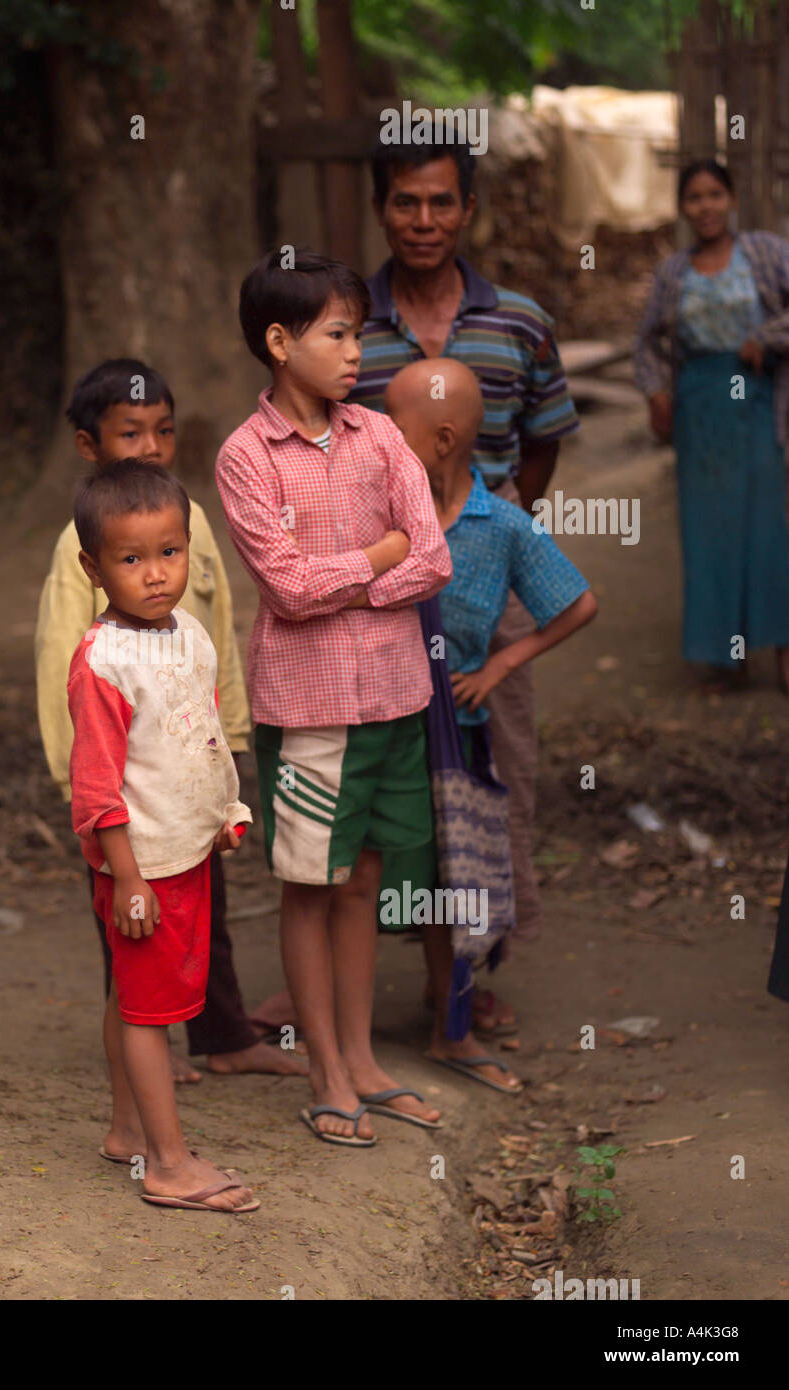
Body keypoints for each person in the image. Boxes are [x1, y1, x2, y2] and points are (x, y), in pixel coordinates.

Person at [216, 249, 453, 1145]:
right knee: (310, 885)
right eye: (338, 333)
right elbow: (287, 590)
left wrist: (362, 570)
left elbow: (434, 557)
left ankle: (360, 1060)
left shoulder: (381, 435)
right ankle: (323, 1073)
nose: (357, 351)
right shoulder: (245, 457)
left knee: (363, 878)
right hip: (309, 708)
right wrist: (380, 557)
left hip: (395, 694)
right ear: (279, 343)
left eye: (360, 332)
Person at [344, 139, 581, 1033]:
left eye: (441, 203)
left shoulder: (517, 321)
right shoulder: (347, 328)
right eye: (406, 203)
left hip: (487, 577)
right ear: (382, 210)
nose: (424, 221)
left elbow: (545, 435)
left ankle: (471, 971)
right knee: (383, 767)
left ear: (468, 210)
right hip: (375, 582)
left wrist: (498, 536)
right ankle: (354, 961)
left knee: (494, 768)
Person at [34, 359, 305, 1103]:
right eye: (131, 433)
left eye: (163, 430)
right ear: (90, 446)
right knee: (132, 923)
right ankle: (146, 1045)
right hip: (122, 787)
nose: (151, 447)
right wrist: (77, 781)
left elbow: (212, 633)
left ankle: (220, 1035)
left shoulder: (188, 520)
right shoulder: (79, 550)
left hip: (189, 768)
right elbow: (66, 664)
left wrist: (230, 744)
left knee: (202, 911)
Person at [383, 358, 597, 1092]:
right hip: (384, 714)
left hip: (456, 728)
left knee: (457, 876)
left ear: (443, 439)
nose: (379, 435)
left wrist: (500, 667)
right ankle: (340, 1032)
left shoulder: (501, 524)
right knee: (372, 868)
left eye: (393, 423)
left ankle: (453, 1028)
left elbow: (577, 606)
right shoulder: (379, 513)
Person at [68, 458, 259, 1213]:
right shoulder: (104, 661)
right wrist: (128, 879)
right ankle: (169, 1164)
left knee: (131, 994)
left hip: (188, 853)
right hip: (140, 867)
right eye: (131, 558)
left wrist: (225, 813)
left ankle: (127, 1132)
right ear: (94, 566)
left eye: (169, 552)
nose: (155, 575)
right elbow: (96, 788)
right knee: (149, 1012)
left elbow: (200, 735)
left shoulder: (191, 634)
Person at [635, 157, 789, 692]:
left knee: (767, 527)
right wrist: (657, 392)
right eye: (694, 198)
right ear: (682, 208)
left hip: (755, 398)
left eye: (714, 195)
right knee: (709, 530)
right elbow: (649, 340)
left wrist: (768, 337)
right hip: (698, 411)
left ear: (732, 199)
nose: (705, 207)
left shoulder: (766, 253)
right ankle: (729, 658)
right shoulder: (674, 272)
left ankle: (782, 651)